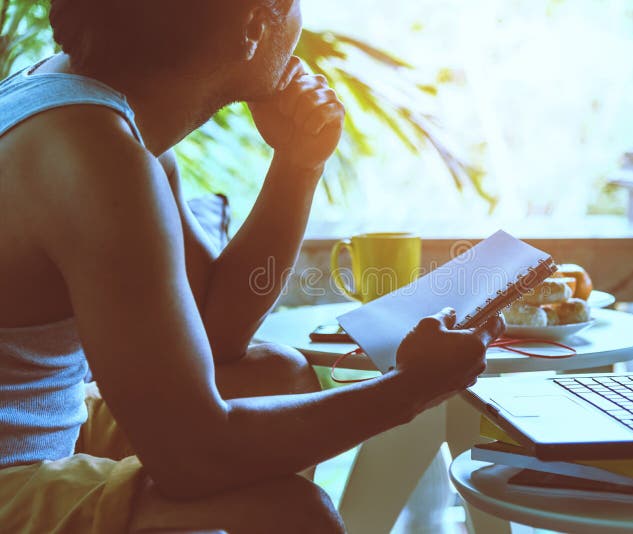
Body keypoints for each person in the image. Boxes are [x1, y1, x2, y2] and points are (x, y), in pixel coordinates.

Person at [0, 0, 504, 532]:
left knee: (278, 376)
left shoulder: (90, 108)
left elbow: (215, 332)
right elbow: (191, 459)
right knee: (292, 515)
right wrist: (410, 389)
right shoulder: (95, 154)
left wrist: (298, 163)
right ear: (251, 28)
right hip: (11, 468)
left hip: (50, 425)